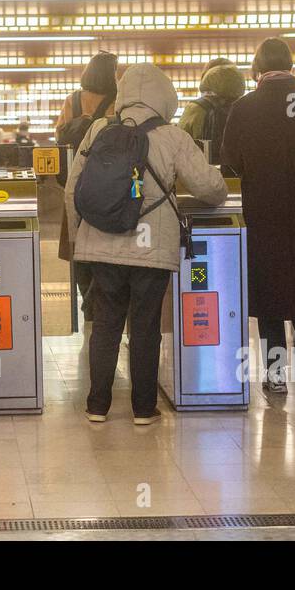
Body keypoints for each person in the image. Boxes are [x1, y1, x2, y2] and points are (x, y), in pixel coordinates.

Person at [65, 63, 227, 424]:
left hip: (102, 245)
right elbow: (210, 188)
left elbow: (72, 190)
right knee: (144, 326)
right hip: (151, 249)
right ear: (165, 98)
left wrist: (81, 241)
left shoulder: (97, 130)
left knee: (105, 325)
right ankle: (142, 407)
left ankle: (97, 405)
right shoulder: (172, 136)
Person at [220, 37, 295, 395]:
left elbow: (231, 159)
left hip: (262, 208)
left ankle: (274, 374)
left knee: (269, 283)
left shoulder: (245, 106)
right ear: (290, 65)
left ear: (258, 68)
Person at [55, 52, 119, 322]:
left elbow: (59, 136)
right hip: (108, 183)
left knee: (78, 243)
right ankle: (98, 299)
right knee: (105, 243)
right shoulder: (117, 102)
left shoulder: (73, 100)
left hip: (77, 183)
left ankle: (87, 300)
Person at [177, 57, 245, 159]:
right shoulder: (246, 108)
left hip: (201, 171)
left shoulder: (195, 109)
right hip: (238, 172)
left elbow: (178, 145)